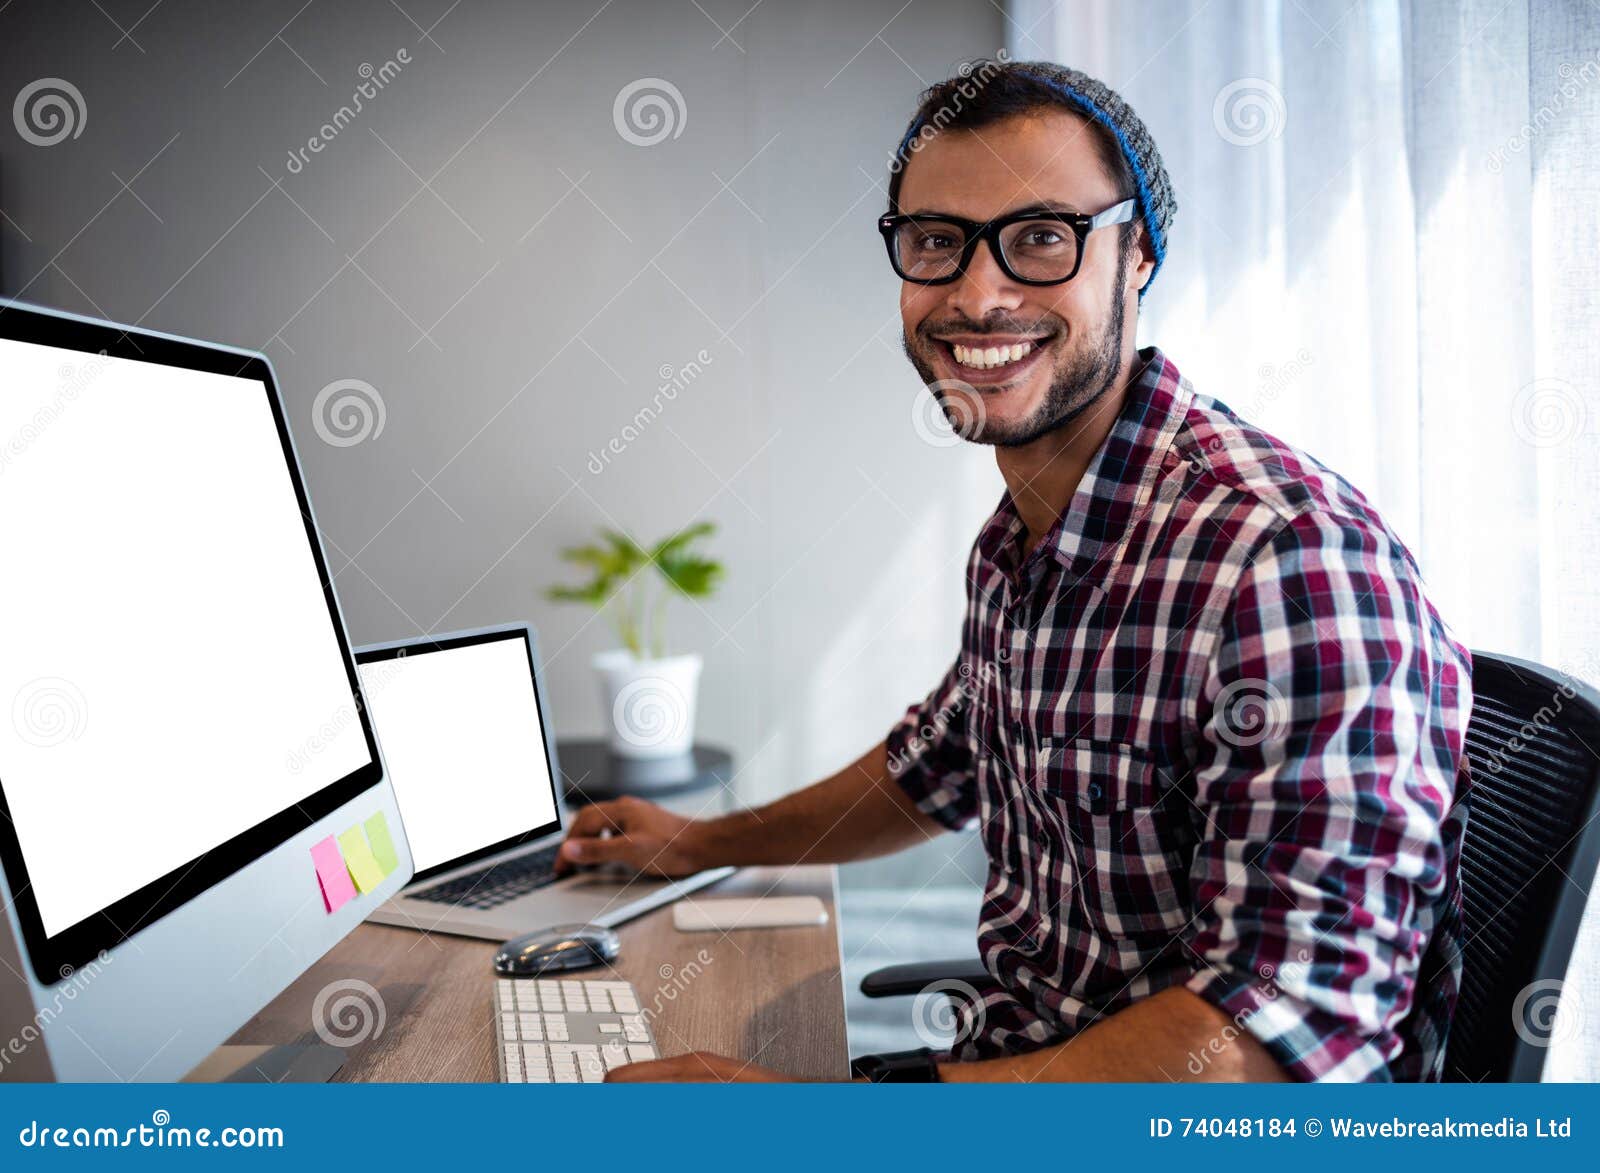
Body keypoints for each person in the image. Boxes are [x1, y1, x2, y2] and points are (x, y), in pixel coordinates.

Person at [565, 60, 1471, 1083]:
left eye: (1041, 238)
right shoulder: (1021, 540)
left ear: (1137, 256)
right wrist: (695, 843)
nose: (977, 293)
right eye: (937, 244)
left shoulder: (1283, 559)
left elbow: (1274, 1045)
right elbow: (931, 770)